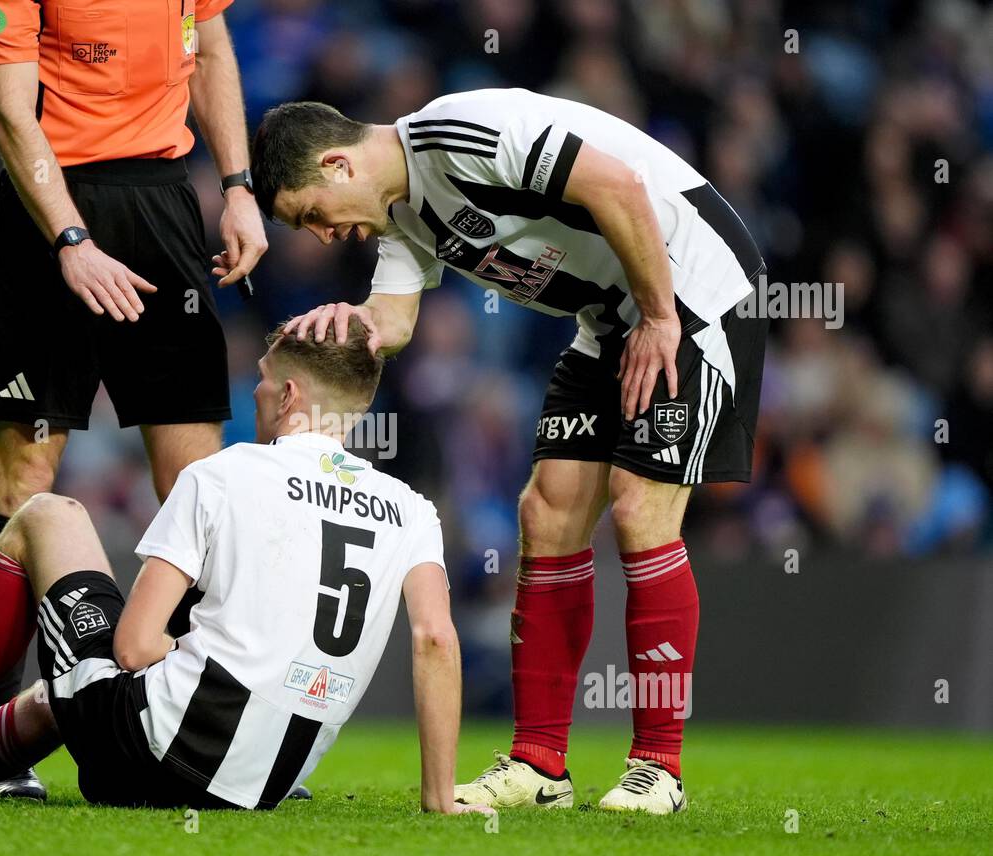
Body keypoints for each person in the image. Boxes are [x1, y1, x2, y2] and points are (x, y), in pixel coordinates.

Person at [250, 88, 768, 814]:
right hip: (610, 315)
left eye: (311, 213)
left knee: (639, 508)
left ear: (337, 165)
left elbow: (614, 183)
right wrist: (341, 327)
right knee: (547, 513)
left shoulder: (458, 134)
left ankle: (659, 767)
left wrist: (658, 314)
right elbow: (391, 322)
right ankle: (541, 765)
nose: (323, 234)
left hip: (692, 290)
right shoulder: (400, 214)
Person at [0, 320, 491, 817]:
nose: (255, 393)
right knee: (56, 698)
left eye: (265, 380)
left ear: (291, 397)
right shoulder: (410, 507)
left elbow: (132, 644)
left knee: (46, 514)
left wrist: (200, 652)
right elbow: (435, 639)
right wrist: (438, 794)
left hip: (152, 759)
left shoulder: (227, 472)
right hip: (263, 782)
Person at [0, 0, 268, 799]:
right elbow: (6, 115)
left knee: (199, 481)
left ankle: (218, 733)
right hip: (46, 209)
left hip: (164, 200)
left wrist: (237, 186)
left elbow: (214, 48)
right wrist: (70, 240)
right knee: (23, 477)